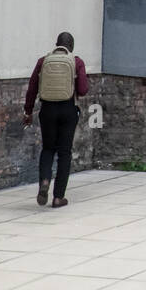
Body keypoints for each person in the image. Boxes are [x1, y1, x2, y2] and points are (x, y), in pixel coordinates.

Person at [23, 31, 89, 207]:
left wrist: (28, 111)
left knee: (48, 149)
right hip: (68, 110)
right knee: (64, 153)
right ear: (71, 46)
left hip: (47, 110)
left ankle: (45, 182)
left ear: (56, 44)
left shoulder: (43, 61)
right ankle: (58, 197)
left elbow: (32, 89)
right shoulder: (77, 62)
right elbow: (82, 90)